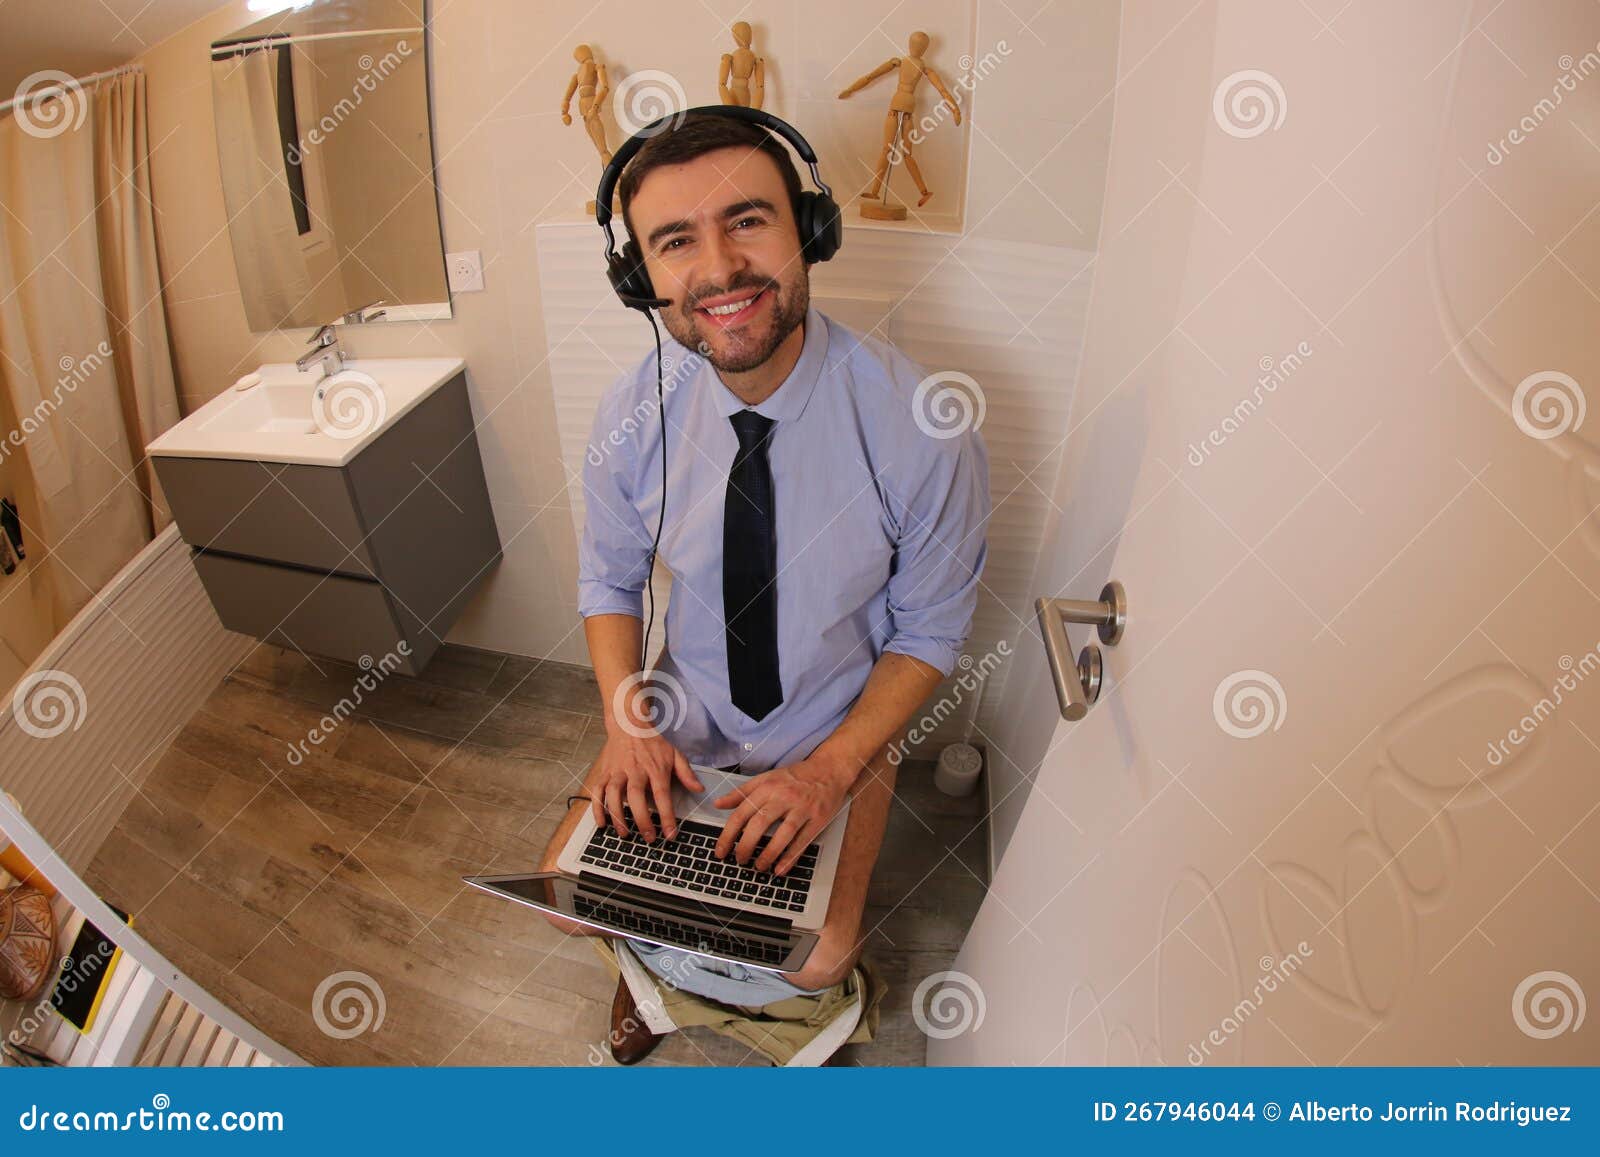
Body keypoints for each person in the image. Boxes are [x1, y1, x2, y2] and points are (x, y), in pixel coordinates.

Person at [538, 110, 990, 1066]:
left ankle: (802, 1022)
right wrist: (627, 720)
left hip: (836, 733)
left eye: (748, 221)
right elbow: (608, 579)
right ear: (641, 279)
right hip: (678, 718)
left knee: (813, 958)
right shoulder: (630, 416)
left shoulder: (920, 424)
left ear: (808, 231)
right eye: (674, 242)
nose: (720, 269)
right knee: (576, 902)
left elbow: (933, 631)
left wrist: (833, 771)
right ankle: (651, 984)